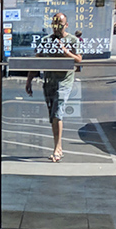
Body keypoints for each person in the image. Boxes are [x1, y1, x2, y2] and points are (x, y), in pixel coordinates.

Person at [25, 12, 82, 163]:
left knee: (58, 112)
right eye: (55, 25)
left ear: (66, 25)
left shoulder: (72, 40)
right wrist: (29, 80)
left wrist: (66, 52)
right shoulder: (45, 41)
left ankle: (57, 148)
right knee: (53, 114)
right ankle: (58, 146)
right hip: (49, 81)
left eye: (60, 26)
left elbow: (79, 60)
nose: (57, 29)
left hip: (64, 81)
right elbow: (36, 62)